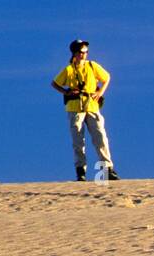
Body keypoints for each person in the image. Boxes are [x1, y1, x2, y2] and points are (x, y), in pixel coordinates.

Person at [50, 39, 120, 181]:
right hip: (75, 108)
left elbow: (106, 78)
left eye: (86, 52)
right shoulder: (69, 69)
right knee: (78, 141)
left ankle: (107, 169)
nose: (84, 54)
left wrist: (100, 93)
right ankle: (80, 171)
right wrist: (66, 92)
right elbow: (54, 83)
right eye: (82, 52)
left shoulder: (92, 66)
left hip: (92, 106)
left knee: (100, 138)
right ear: (75, 53)